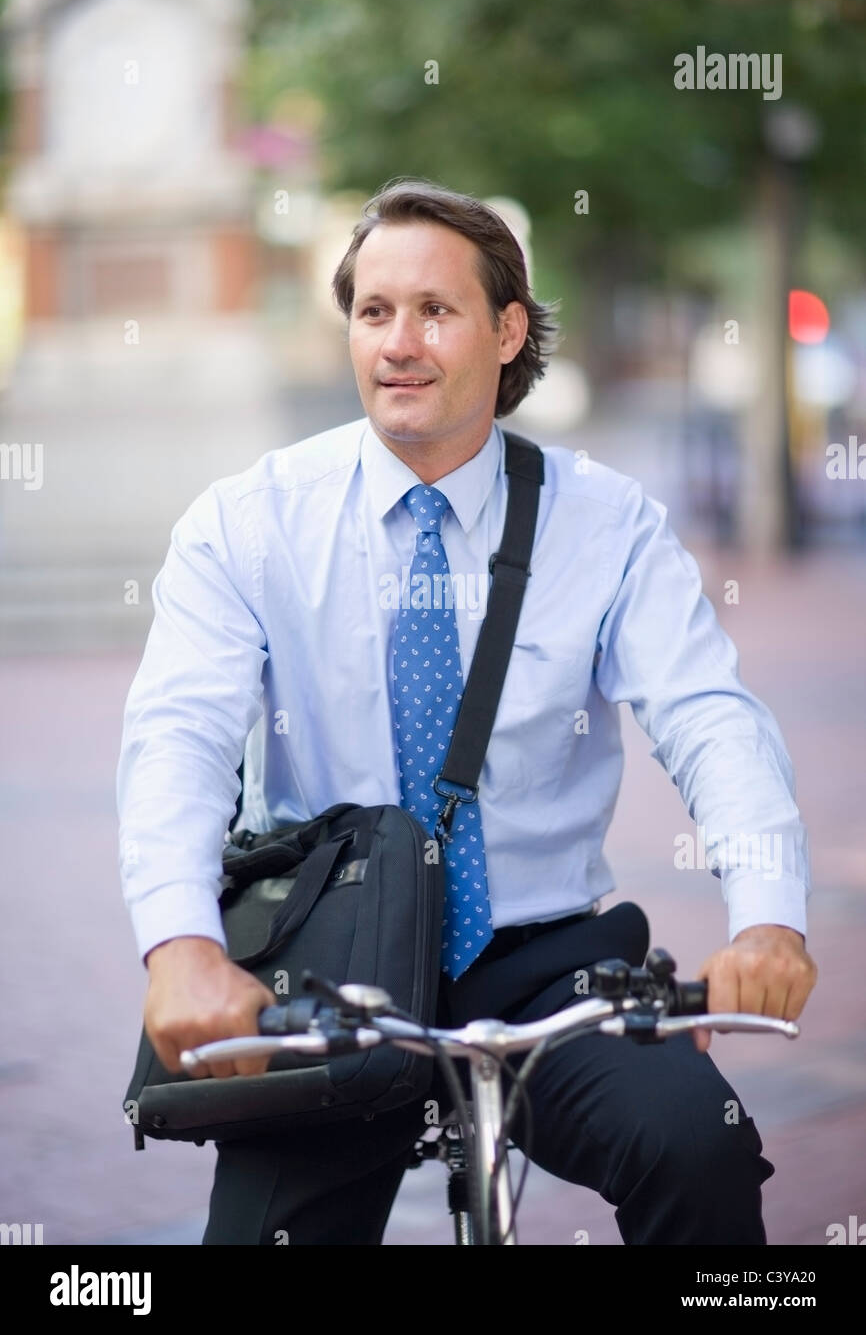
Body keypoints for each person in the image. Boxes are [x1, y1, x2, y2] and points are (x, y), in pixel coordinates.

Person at [117, 177, 817, 1246]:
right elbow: (179, 737)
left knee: (698, 1145)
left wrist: (766, 912)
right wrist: (179, 943)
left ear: (506, 331)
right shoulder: (246, 523)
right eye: (372, 311)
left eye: (434, 311)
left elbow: (708, 715)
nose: (398, 342)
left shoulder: (606, 522)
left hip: (548, 963)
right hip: (327, 958)